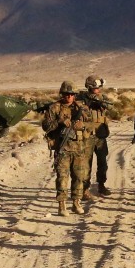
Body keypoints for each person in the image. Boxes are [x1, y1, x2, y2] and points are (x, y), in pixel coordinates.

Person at [40, 81, 101, 214]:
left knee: (79, 177)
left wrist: (82, 126)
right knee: (62, 177)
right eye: (66, 94)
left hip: (79, 148)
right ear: (62, 94)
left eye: (72, 94)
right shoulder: (54, 108)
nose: (69, 97)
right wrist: (59, 122)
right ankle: (62, 205)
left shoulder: (82, 108)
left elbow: (92, 125)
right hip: (62, 149)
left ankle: (76, 202)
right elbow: (45, 126)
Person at [82, 75, 111, 197]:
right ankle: (84, 188)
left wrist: (100, 102)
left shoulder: (102, 97)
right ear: (89, 87)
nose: (98, 89)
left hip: (100, 135)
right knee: (85, 164)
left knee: (102, 163)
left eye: (99, 87)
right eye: (96, 87)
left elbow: (110, 106)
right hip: (87, 135)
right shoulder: (82, 98)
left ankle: (101, 185)